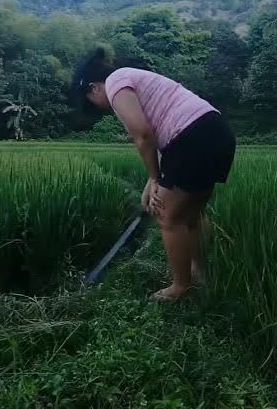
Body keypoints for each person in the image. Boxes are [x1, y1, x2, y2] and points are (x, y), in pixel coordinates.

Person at [72, 48, 236, 301]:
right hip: (216, 131)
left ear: (94, 87)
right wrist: (155, 178)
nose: (97, 107)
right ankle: (201, 274)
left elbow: (143, 135)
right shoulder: (133, 78)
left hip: (192, 137)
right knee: (192, 214)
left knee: (168, 217)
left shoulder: (115, 83)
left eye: (90, 100)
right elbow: (160, 140)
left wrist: (154, 178)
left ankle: (180, 287)